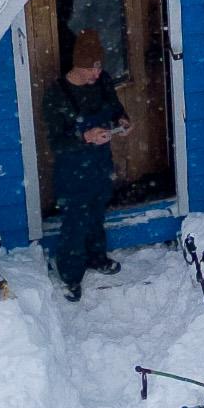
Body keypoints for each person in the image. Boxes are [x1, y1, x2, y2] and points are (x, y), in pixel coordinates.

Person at [44, 25, 125, 299]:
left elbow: (114, 107)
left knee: (97, 212)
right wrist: (85, 137)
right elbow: (56, 142)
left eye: (99, 65)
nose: (96, 72)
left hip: (100, 162)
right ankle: (70, 273)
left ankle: (97, 257)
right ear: (77, 65)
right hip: (72, 167)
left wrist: (121, 121)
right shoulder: (57, 95)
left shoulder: (102, 82)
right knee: (75, 220)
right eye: (91, 67)